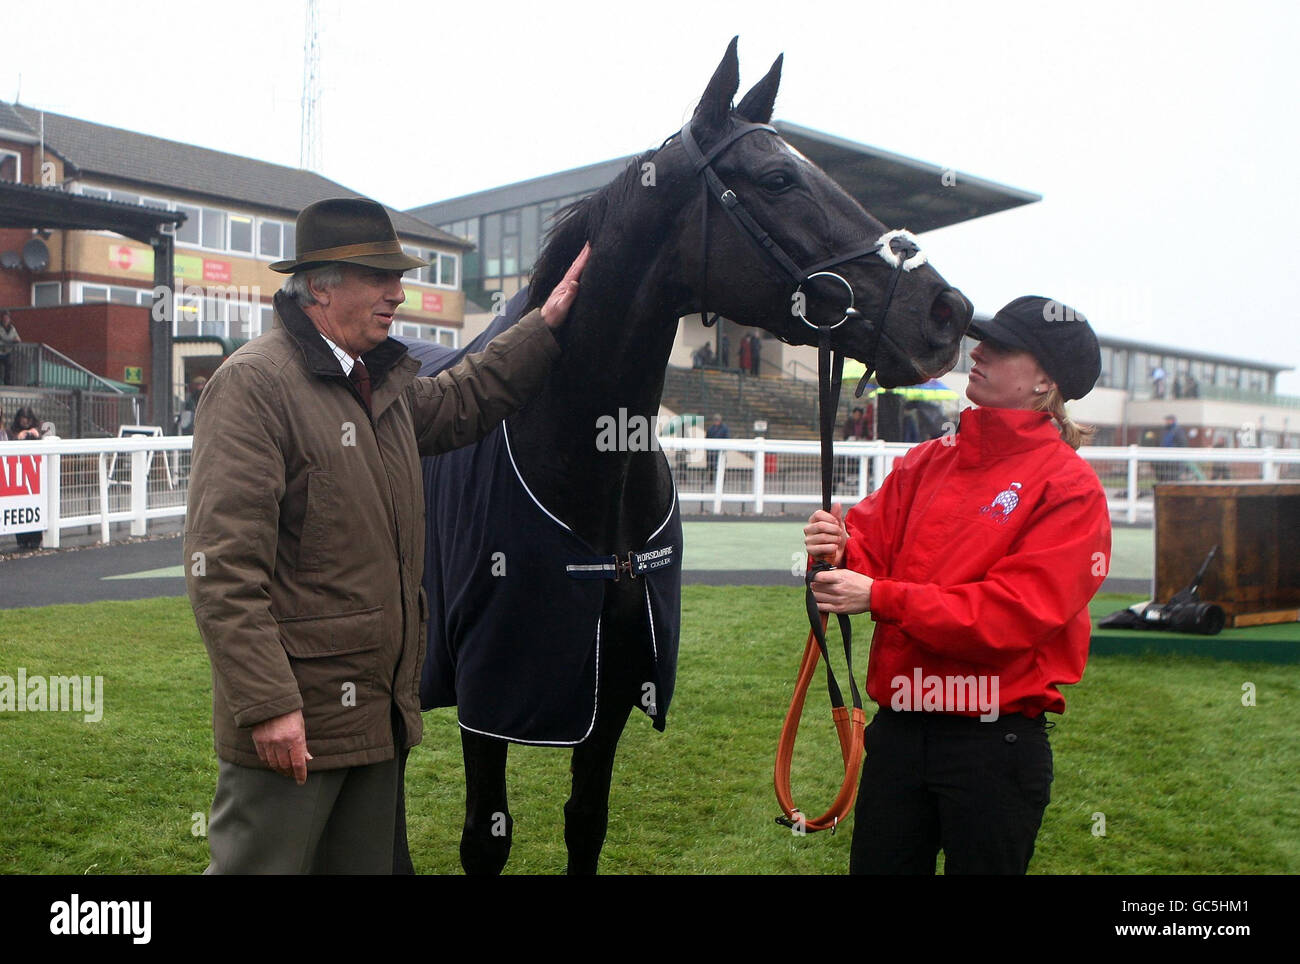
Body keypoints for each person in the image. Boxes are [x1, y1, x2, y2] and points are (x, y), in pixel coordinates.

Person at [185, 197, 588, 874]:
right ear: (320, 284)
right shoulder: (255, 385)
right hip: (297, 723)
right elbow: (222, 568)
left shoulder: (379, 386)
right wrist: (269, 705)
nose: (397, 293)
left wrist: (543, 324)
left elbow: (466, 397)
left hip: (375, 717)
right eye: (378, 277)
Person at [803, 295, 1111, 875]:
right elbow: (869, 550)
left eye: (1002, 346)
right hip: (899, 733)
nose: (979, 351)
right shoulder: (926, 461)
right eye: (983, 339)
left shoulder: (1071, 488)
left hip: (993, 749)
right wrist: (838, 543)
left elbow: (1011, 616)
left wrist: (879, 596)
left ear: (1045, 380)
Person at [9, 406, 47, 549]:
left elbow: (49, 434)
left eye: (28, 419)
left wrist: (38, 434)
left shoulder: (38, 429)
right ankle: (22, 539)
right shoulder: (12, 431)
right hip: (18, 476)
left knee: (35, 505)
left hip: (35, 476)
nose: (25, 422)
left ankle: (35, 539)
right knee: (19, 507)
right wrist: (17, 438)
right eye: (23, 418)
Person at [1156, 414, 1189, 483]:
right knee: (1164, 477)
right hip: (1164, 458)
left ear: (1172, 420)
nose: (1166, 422)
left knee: (1173, 478)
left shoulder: (1178, 430)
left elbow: (1182, 443)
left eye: (1168, 420)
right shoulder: (1165, 430)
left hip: (1174, 459)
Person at [0, 310, 20, 385]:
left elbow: (18, 338)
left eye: (7, 318)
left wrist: (16, 340)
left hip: (7, 352)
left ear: (9, 319)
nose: (5, 320)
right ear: (2, 319)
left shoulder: (12, 328)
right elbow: (4, 337)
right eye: (4, 318)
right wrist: (10, 340)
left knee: (8, 367)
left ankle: (7, 383)